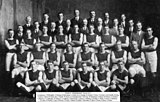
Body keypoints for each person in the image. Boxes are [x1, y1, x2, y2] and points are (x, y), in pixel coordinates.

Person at [141, 27, 158, 91]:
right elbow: (142, 47)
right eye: (147, 31)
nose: (148, 32)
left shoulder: (155, 38)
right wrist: (149, 46)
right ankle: (148, 87)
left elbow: (154, 47)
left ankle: (154, 87)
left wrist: (146, 47)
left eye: (149, 30)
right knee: (147, 72)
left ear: (152, 31)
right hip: (146, 55)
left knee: (153, 72)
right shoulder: (144, 39)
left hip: (153, 56)